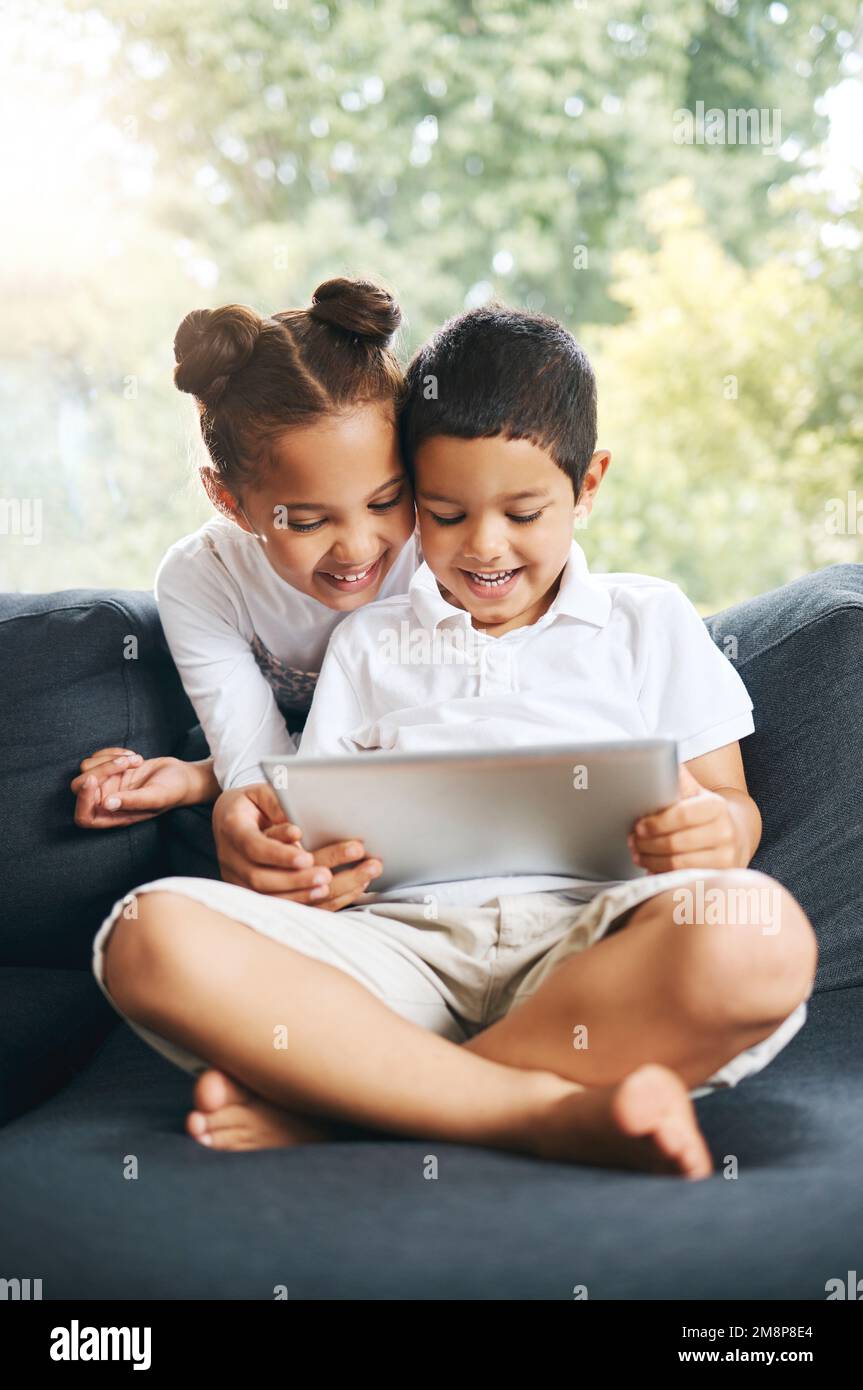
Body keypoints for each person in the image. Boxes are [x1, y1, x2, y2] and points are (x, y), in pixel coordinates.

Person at [90, 303, 818, 1179]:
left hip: (591, 948)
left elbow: (730, 808)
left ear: (588, 487)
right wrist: (301, 866)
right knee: (145, 932)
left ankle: (362, 1108)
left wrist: (716, 830)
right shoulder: (363, 640)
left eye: (522, 512)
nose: (483, 547)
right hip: (398, 953)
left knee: (760, 934)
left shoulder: (648, 619)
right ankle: (534, 1110)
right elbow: (313, 819)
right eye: (442, 512)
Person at [72, 277, 419, 910]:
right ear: (228, 499)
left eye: (386, 501)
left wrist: (203, 780)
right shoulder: (201, 580)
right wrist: (234, 795)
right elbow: (264, 776)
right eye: (309, 522)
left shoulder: (437, 546)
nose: (359, 548)